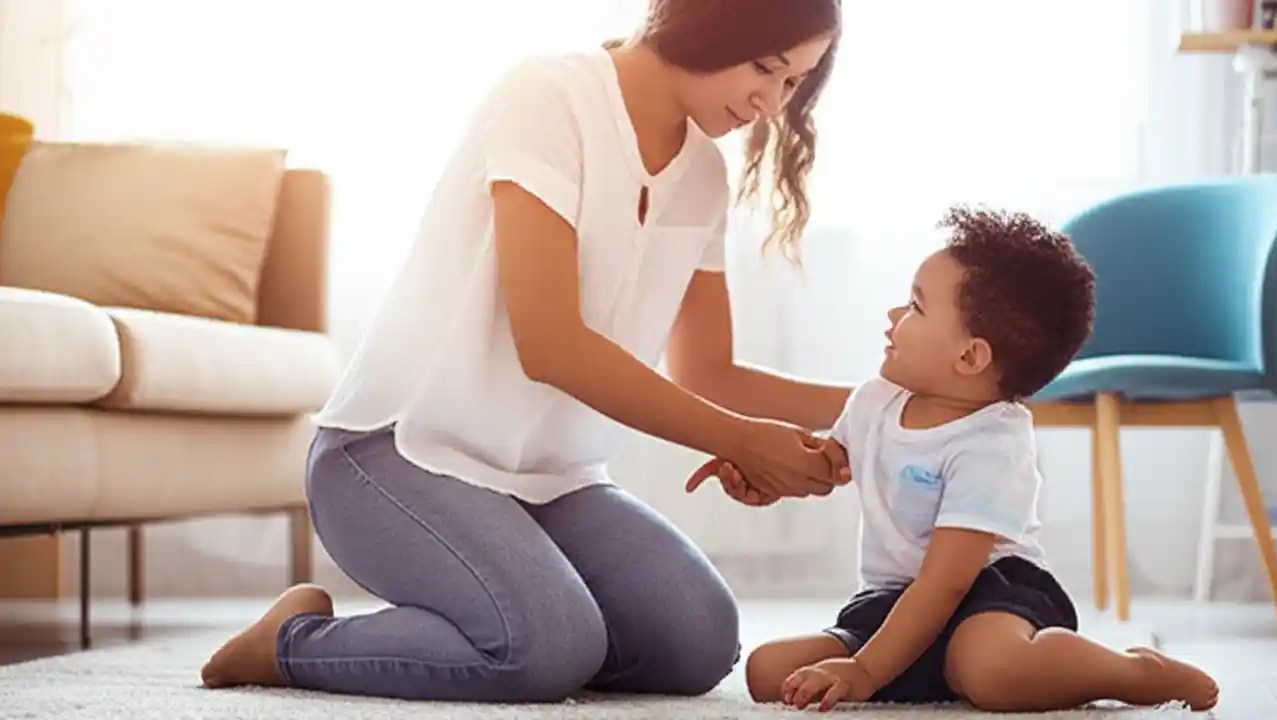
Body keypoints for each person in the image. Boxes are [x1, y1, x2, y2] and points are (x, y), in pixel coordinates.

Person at [200, 0, 855, 704]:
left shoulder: (702, 175)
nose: (771, 103)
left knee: (695, 640)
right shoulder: (551, 97)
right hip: (392, 454)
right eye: (766, 68)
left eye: (794, 84)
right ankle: (290, 645)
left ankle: (514, 626)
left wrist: (885, 405)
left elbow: (708, 373)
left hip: (547, 482)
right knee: (542, 649)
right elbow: (551, 346)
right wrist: (740, 442)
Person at [692, 207, 1220, 713]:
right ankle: (927, 670)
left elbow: (948, 581)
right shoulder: (875, 401)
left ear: (970, 356)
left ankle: (1131, 672)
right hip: (894, 599)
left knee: (989, 669)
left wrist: (866, 672)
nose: (894, 315)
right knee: (769, 672)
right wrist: (760, 476)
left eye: (916, 307)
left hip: (990, 596)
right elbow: (831, 464)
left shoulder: (993, 445)